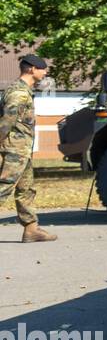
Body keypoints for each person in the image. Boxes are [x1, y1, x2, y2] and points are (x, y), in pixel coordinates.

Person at [0, 54, 57, 242]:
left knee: (26, 189)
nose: (46, 72)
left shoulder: (24, 90)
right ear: (32, 69)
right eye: (43, 68)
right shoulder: (19, 93)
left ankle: (31, 229)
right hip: (13, 150)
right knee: (4, 188)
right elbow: (6, 122)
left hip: (22, 150)